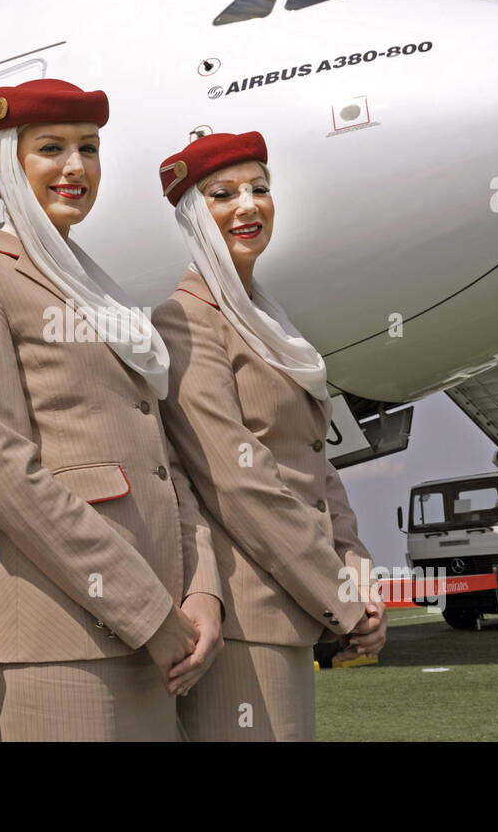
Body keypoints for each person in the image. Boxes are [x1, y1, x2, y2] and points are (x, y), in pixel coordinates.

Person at [0, 79, 224, 741]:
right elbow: (1, 471)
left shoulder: (106, 294)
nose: (76, 167)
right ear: (7, 165)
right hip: (66, 636)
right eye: (51, 148)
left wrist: (203, 591)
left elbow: (165, 465)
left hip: (165, 632)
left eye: (89, 148)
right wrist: (147, 610)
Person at [150, 131, 386, 741]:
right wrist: (341, 596)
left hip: (296, 607)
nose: (248, 205)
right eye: (223, 194)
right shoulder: (185, 320)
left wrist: (358, 568)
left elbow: (315, 460)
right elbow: (238, 479)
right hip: (243, 615)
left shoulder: (270, 319)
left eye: (260, 188)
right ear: (194, 217)